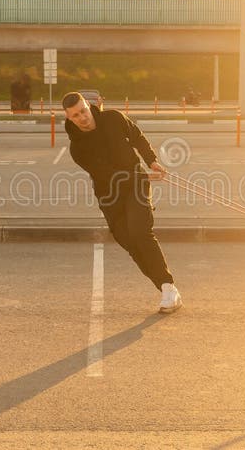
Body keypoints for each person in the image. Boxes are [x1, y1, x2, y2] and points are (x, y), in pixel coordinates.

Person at [61, 91, 182, 313]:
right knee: (131, 244)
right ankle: (167, 288)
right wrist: (143, 175)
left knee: (140, 232)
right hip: (110, 197)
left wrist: (151, 161)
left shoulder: (114, 118)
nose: (82, 118)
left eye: (83, 111)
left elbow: (136, 136)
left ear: (89, 105)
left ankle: (167, 287)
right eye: (76, 116)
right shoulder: (77, 149)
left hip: (136, 187)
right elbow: (106, 174)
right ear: (69, 118)